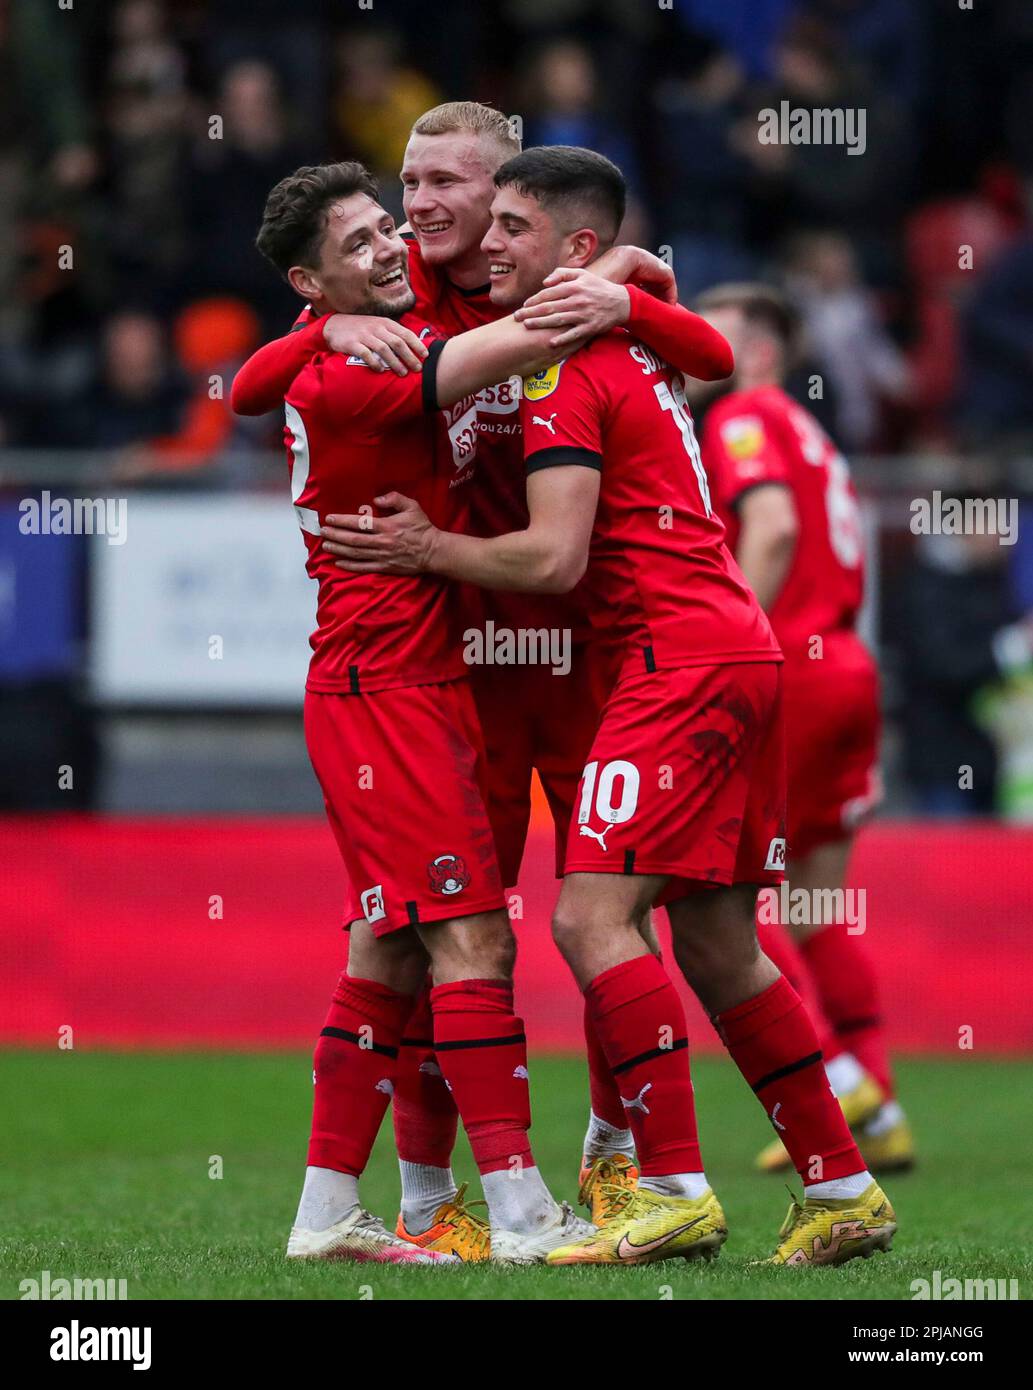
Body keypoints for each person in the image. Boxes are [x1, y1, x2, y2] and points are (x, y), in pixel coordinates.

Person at [322, 145, 898, 1268]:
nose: (487, 241)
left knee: (588, 917)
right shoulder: (623, 330)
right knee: (724, 939)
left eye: (514, 226)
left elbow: (549, 557)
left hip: (672, 658)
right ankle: (843, 1186)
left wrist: (420, 546)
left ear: (572, 250)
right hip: (737, 648)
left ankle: (667, 1186)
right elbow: (710, 346)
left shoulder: (559, 366)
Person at [232, 101, 735, 1254]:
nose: (419, 210)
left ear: (510, 198)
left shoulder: (517, 283)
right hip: (449, 654)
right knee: (455, 929)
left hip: (573, 653)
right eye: (408, 185)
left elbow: (715, 356)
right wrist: (319, 335)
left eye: (448, 185)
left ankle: (612, 1159)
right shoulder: (386, 289)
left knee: (580, 914)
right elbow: (257, 379)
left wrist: (625, 292)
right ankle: (436, 1192)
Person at [255, 158, 600, 1264]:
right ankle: (518, 1212)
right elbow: (541, 336)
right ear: (312, 281)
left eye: (382, 230)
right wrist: (625, 272)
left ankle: (323, 1213)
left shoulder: (345, 350)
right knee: (472, 936)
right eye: (355, 246)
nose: (387, 249)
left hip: (400, 685)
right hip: (384, 695)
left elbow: (261, 372)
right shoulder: (365, 376)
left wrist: (313, 331)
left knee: (388, 949)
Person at [694, 282, 915, 1173]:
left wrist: (727, 638)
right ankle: (880, 1108)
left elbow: (774, 528)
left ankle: (830, 1069)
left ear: (760, 349)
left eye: (713, 332)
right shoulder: (810, 430)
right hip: (846, 669)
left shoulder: (743, 416)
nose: (695, 346)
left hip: (786, 668)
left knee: (718, 897)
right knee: (818, 902)